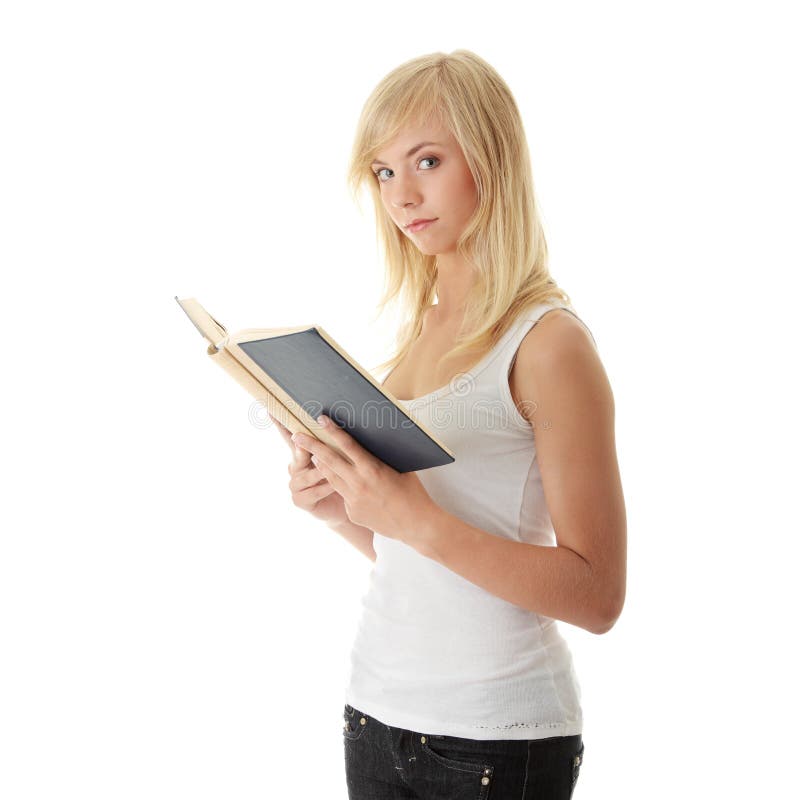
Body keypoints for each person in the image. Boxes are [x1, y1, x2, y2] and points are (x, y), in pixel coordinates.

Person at [270, 49, 626, 800]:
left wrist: (413, 517)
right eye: (383, 172)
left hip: (495, 741)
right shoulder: (419, 333)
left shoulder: (548, 344)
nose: (402, 195)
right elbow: (429, 556)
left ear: (490, 159)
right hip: (374, 714)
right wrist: (344, 509)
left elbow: (597, 596)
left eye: (426, 159)